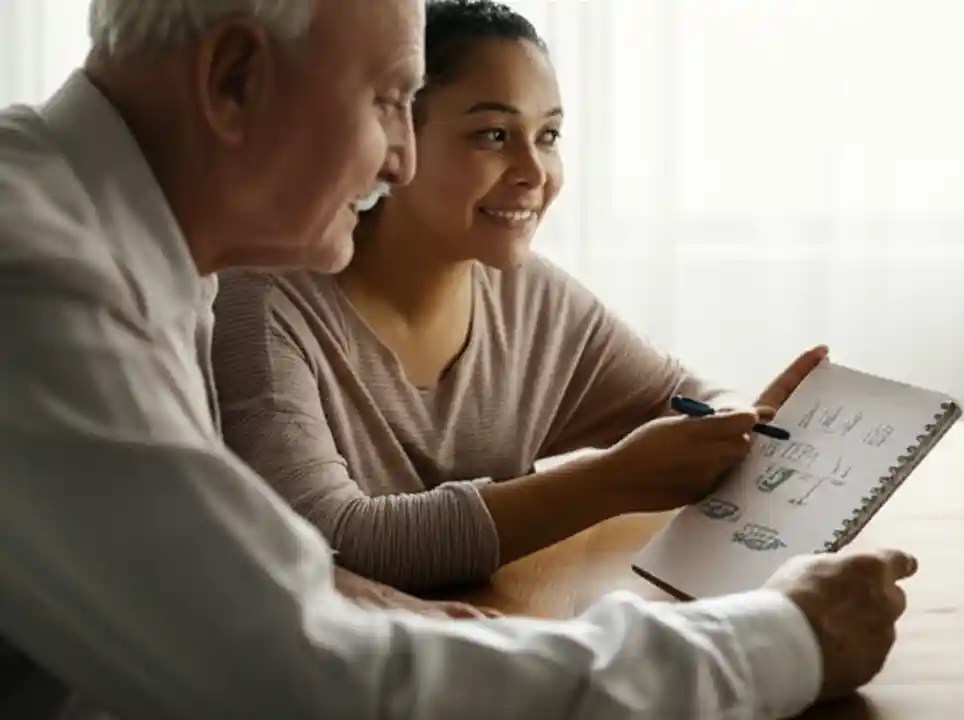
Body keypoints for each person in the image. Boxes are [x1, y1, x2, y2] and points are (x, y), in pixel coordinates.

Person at [0, 1, 917, 719]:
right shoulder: (39, 289)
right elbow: (312, 684)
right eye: (387, 99)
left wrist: (346, 593)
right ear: (233, 78)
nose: (399, 161)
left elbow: (213, 588)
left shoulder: (115, 250)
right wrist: (779, 642)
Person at [211, 0, 831, 593]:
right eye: (492, 134)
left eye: (550, 135)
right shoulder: (262, 304)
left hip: (485, 642)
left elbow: (685, 399)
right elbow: (333, 542)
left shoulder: (531, 296)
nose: (535, 172)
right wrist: (609, 481)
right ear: (396, 139)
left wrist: (738, 424)